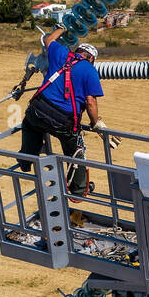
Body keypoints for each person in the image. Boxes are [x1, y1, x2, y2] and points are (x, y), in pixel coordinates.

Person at [18, 26, 110, 198]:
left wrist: (61, 28)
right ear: (91, 59)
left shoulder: (61, 53)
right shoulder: (90, 71)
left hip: (39, 109)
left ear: (78, 51)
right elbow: (90, 102)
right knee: (75, 150)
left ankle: (25, 161)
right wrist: (95, 122)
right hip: (63, 121)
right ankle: (78, 189)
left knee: (31, 126)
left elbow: (48, 40)